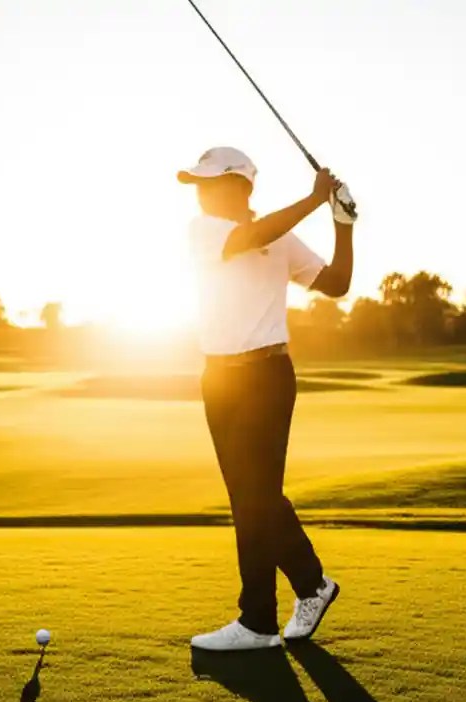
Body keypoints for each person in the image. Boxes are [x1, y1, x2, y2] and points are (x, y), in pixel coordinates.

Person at [179, 146, 356, 651]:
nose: (199, 192)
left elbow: (337, 284)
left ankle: (266, 614)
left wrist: (342, 224)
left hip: (267, 375)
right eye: (196, 184)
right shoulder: (206, 230)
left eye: (207, 182)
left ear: (238, 185)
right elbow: (251, 237)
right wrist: (314, 198)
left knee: (256, 497)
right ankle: (283, 604)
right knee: (250, 500)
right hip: (219, 377)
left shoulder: (282, 237)